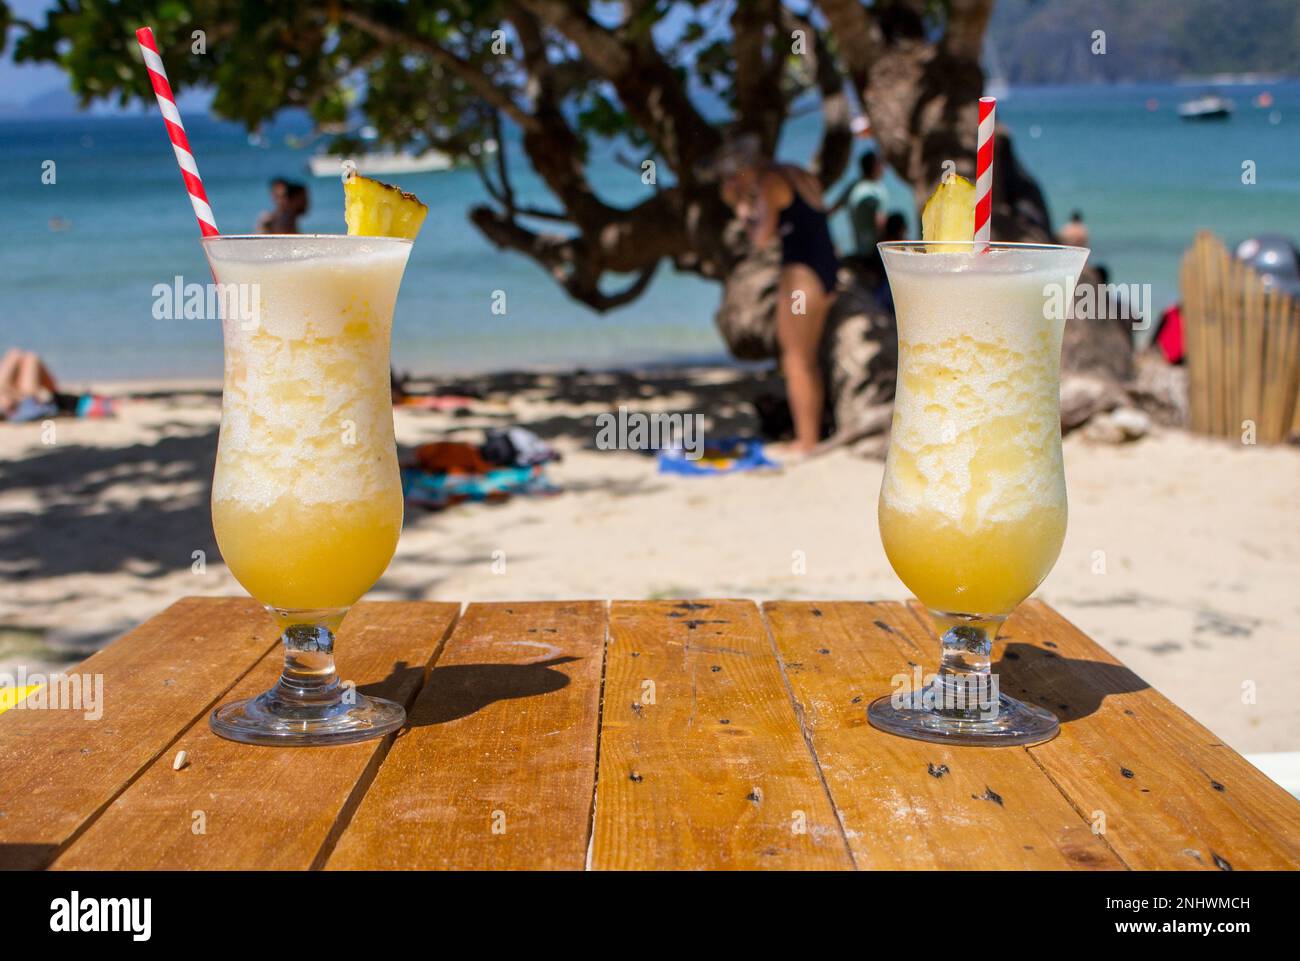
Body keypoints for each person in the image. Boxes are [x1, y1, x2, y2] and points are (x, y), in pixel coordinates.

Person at [717, 136, 838, 455]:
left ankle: (806, 441)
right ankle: (810, 435)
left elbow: (761, 237)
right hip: (824, 273)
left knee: (796, 359)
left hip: (801, 276)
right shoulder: (795, 172)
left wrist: (739, 205)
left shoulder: (769, 181)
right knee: (807, 359)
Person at [0, 348, 114, 423]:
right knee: (30, 357)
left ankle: (56, 394)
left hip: (16, 402)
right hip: (22, 405)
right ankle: (56, 394)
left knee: (15, 354)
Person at [830, 151, 889, 259]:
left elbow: (830, 212)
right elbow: (880, 222)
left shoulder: (853, 187)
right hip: (877, 252)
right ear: (875, 166)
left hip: (860, 249)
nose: (883, 168)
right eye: (880, 164)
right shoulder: (877, 190)